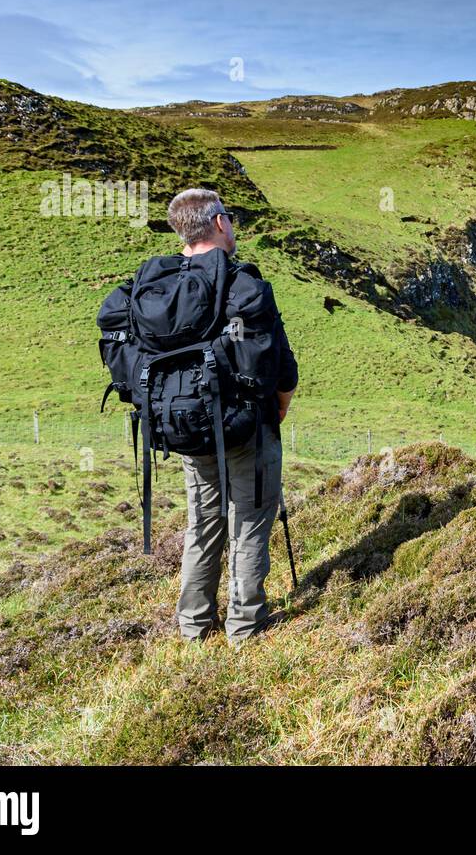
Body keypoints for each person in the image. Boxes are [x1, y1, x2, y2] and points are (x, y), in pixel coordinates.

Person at [162, 189, 298, 642]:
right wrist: (278, 407)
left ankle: (194, 626)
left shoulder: (160, 287)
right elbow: (281, 366)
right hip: (246, 428)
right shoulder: (245, 285)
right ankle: (245, 627)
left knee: (201, 525)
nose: (233, 225)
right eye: (230, 217)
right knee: (250, 523)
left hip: (187, 429)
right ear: (219, 223)